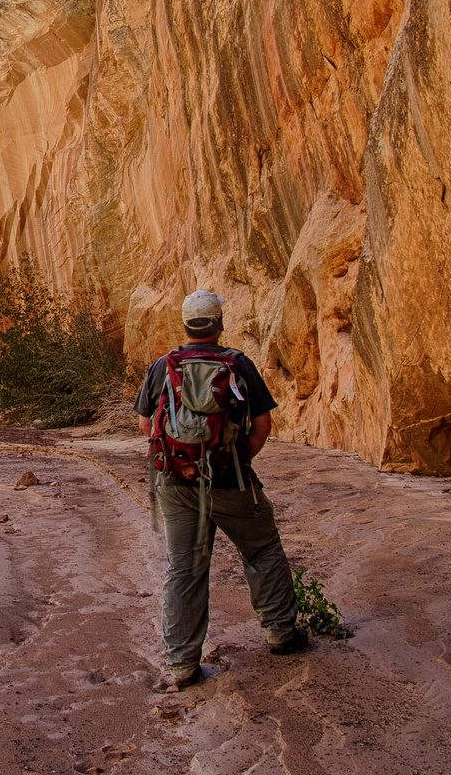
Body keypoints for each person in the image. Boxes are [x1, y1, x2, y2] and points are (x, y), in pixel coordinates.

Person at [134, 289, 307, 690]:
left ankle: (182, 665)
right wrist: (237, 457)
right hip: (230, 479)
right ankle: (281, 634)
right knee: (261, 549)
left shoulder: (164, 366)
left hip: (175, 483)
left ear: (186, 325)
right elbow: (262, 424)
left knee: (184, 569)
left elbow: (147, 426)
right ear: (218, 324)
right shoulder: (238, 364)